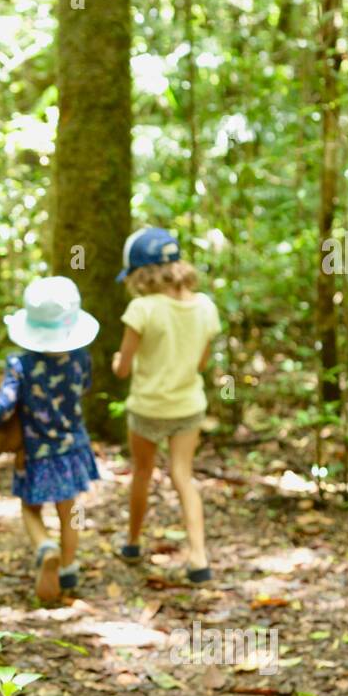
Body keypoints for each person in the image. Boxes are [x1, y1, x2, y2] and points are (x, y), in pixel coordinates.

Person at [110, 227, 221, 584]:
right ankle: (199, 557)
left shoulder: (141, 309)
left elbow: (123, 369)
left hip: (147, 408)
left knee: (142, 473)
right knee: (182, 476)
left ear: (140, 273)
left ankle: (132, 542)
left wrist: (116, 360)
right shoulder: (205, 306)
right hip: (188, 406)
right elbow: (201, 364)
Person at [0, 276, 101, 604]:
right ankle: (68, 569)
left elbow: (5, 404)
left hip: (36, 453)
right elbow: (86, 387)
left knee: (31, 508)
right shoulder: (81, 357)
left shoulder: (20, 364)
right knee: (70, 511)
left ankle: (44, 546)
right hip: (73, 447)